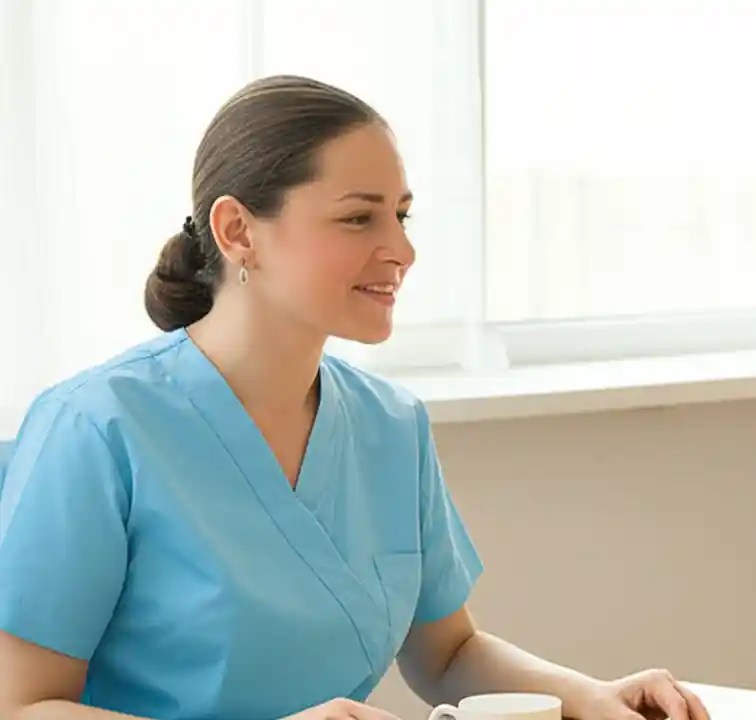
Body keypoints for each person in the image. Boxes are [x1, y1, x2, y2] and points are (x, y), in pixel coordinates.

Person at [0, 75, 710, 720]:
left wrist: (587, 695)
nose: (401, 249)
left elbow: (447, 653)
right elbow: (21, 705)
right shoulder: (96, 429)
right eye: (359, 218)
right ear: (238, 231)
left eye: (402, 215)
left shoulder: (390, 427)